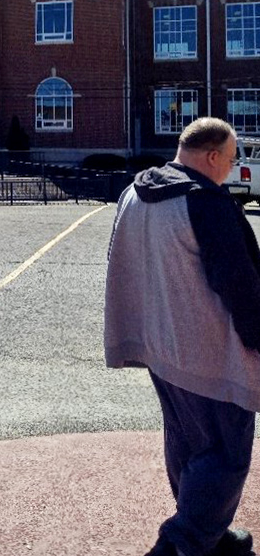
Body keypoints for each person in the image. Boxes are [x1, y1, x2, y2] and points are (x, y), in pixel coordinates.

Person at [105, 117, 260, 556]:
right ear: (212, 157)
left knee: (187, 441)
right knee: (225, 454)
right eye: (230, 161)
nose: (230, 170)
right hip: (211, 354)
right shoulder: (204, 202)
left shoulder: (134, 193)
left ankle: (207, 535)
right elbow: (239, 285)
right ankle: (183, 542)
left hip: (162, 348)